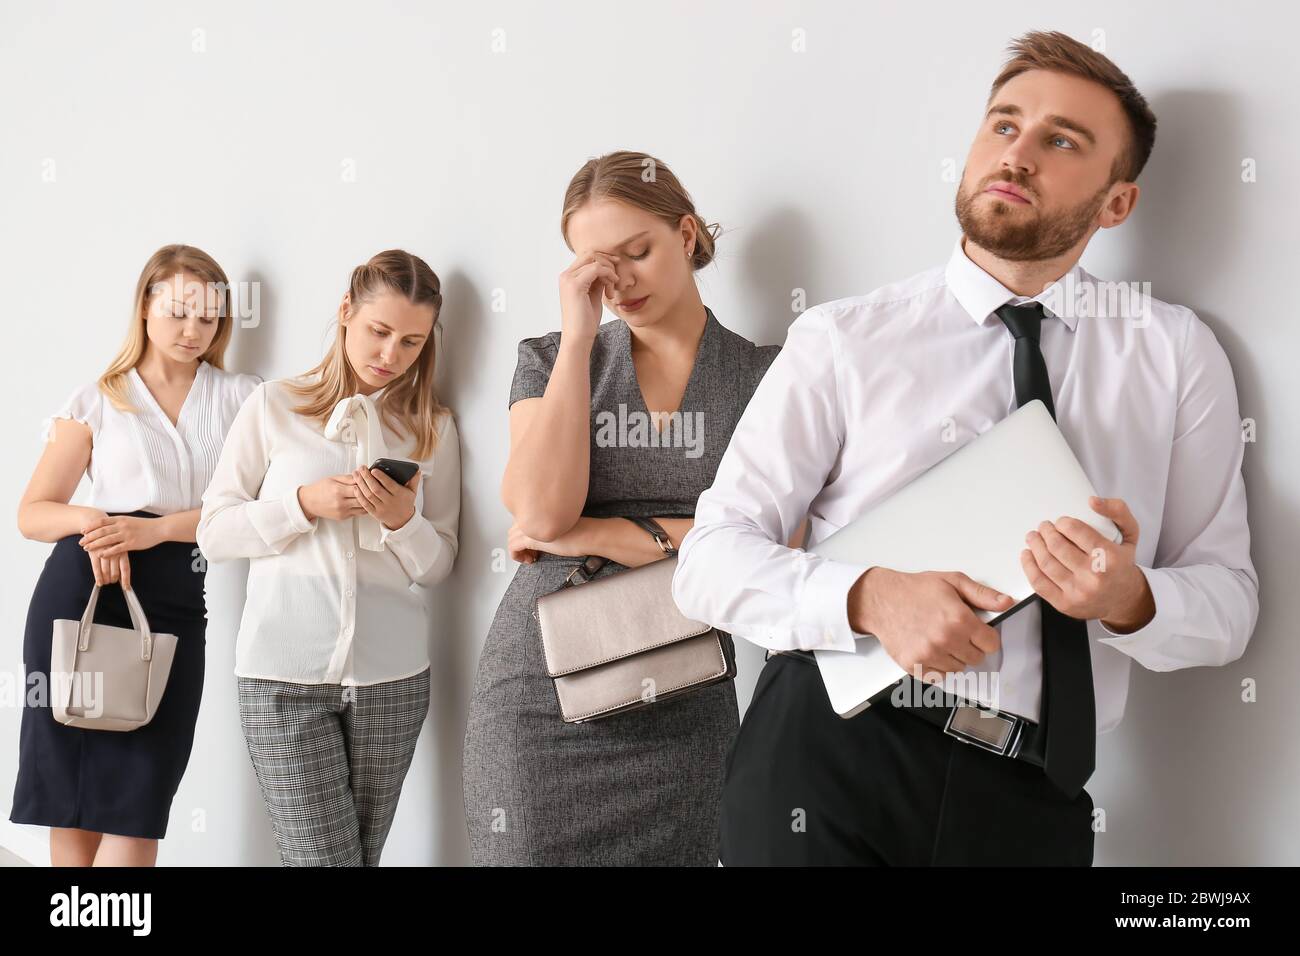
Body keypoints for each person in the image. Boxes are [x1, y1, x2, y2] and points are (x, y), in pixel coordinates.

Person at [673, 30, 1259, 866]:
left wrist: (1131, 599)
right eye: (1004, 125)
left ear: (1117, 203)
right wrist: (867, 598)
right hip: (828, 761)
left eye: (1062, 141)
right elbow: (709, 562)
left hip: (1031, 801)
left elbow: (1229, 601)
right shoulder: (844, 338)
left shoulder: (1175, 353)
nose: (1017, 155)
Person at [462, 151, 785, 865]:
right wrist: (580, 340)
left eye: (636, 252)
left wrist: (596, 533)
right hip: (541, 697)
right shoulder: (550, 358)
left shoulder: (767, 375)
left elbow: (775, 540)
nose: (618, 282)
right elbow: (544, 516)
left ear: (689, 235)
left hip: (686, 698)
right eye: (595, 266)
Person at [196, 249, 460, 866]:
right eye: (379, 331)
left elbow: (439, 564)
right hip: (280, 676)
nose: (390, 355)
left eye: (411, 342)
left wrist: (401, 520)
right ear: (345, 313)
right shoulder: (273, 407)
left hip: (392, 682)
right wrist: (303, 504)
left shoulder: (432, 430)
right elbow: (214, 532)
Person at [12, 244, 260, 866]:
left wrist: (154, 531)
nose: (192, 330)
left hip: (177, 592)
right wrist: (96, 521)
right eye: (179, 311)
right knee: (69, 781)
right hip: (82, 589)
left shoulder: (243, 399)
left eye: (209, 318)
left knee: (141, 789)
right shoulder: (96, 399)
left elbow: (248, 510)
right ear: (145, 306)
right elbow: (33, 512)